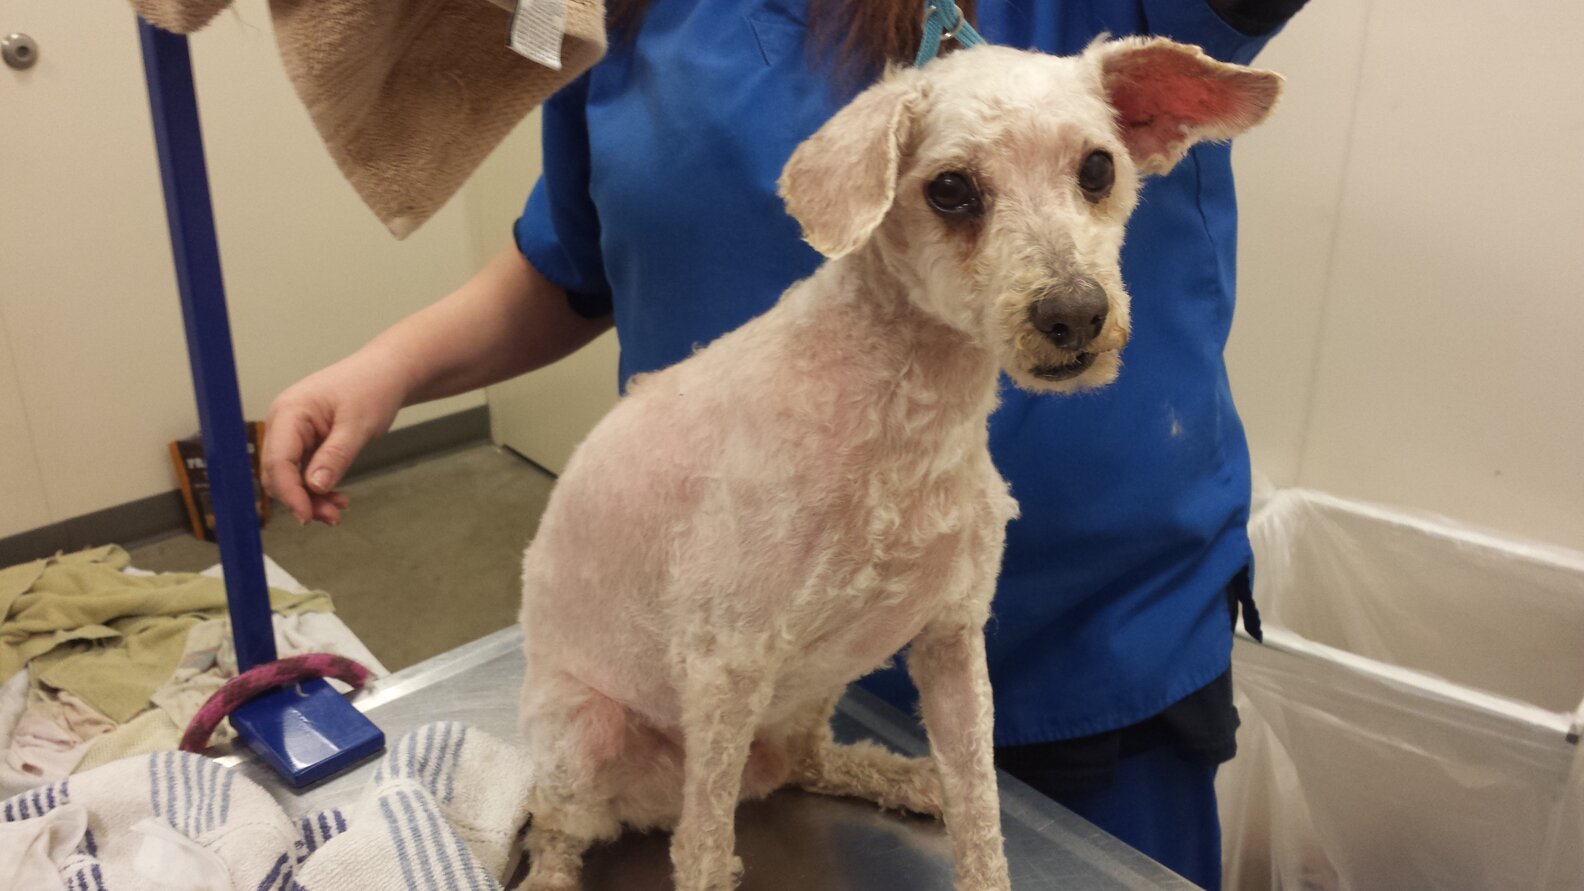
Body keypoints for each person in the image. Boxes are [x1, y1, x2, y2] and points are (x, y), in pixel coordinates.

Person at [262, 1, 1309, 887]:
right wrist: (388, 366)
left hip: (1096, 651)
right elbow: (574, 257)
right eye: (956, 194)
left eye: (1093, 174)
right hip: (734, 648)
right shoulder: (616, 8)